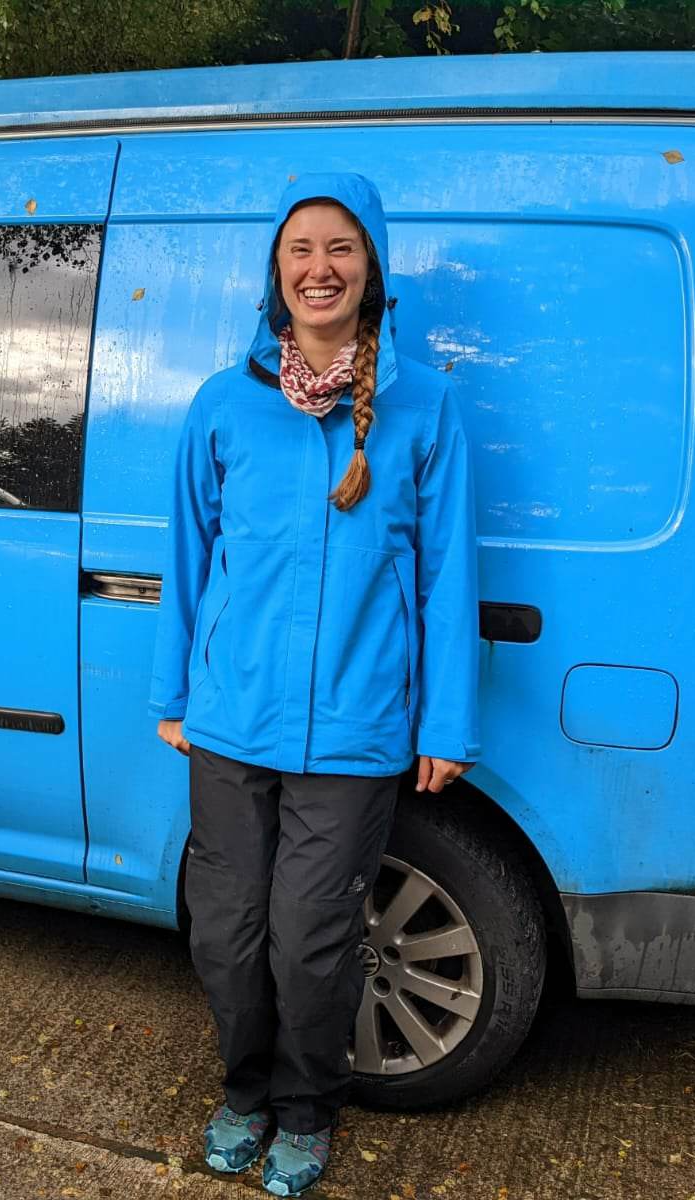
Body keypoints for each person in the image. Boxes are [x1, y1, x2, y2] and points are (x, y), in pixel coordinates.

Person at [147, 173, 481, 1197]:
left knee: (313, 940)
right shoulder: (222, 404)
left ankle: (303, 1110)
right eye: (300, 248)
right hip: (230, 722)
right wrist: (174, 698)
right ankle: (243, 1093)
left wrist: (445, 719)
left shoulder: (423, 407)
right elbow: (190, 560)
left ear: (371, 269)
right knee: (227, 932)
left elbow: (448, 575)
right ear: (275, 271)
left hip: (356, 727)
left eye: (341, 248)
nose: (319, 268)